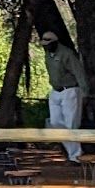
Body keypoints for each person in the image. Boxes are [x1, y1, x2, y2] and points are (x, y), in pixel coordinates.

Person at [38, 19, 86, 162]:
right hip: (55, 90)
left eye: (48, 45)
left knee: (71, 124)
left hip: (70, 90)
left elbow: (79, 73)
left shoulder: (67, 54)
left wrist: (84, 91)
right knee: (55, 122)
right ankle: (72, 151)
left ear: (54, 43)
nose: (46, 47)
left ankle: (76, 156)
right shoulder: (48, 55)